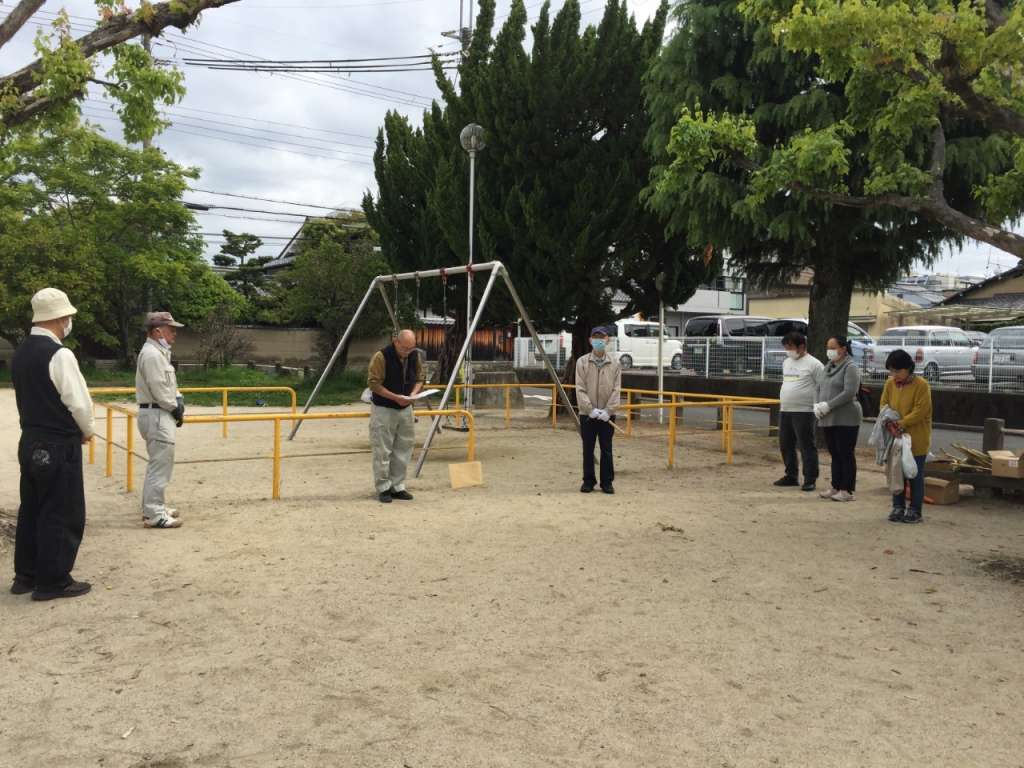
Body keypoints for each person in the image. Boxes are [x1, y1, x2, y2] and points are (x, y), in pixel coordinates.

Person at [11, 288, 94, 600]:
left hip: (30, 439)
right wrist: (87, 431)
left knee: (32, 507)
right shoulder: (59, 354)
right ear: (60, 318)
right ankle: (53, 580)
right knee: (61, 511)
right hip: (59, 442)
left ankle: (26, 575)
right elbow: (79, 403)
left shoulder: (21, 352)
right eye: (68, 316)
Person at [135, 311, 186, 529]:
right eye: (170, 329)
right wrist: (175, 408)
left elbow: (167, 386)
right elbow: (159, 388)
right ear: (157, 331)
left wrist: (177, 400)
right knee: (160, 465)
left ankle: (155, 507)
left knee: (159, 464)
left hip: (157, 412)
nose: (174, 333)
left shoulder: (157, 352)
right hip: (157, 414)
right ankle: (155, 513)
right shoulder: (153, 355)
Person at [368, 329, 425, 503]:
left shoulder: (415, 356)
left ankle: (398, 485)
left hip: (406, 407)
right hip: (384, 408)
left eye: (411, 348)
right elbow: (373, 383)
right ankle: (383, 487)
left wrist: (412, 395)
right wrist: (395, 397)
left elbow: (420, 378)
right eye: (405, 348)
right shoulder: (381, 356)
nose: (407, 352)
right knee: (383, 449)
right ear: (396, 342)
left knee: (404, 447)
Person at [879, 349, 933, 524]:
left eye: (897, 371)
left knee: (915, 474)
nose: (894, 375)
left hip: (916, 437)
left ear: (908, 368)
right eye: (891, 371)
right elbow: (883, 404)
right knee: (897, 472)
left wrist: (901, 423)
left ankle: (915, 510)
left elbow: (920, 411)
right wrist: (888, 422)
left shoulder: (922, 385)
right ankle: (898, 506)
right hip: (895, 436)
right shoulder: (890, 384)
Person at [814, 336, 863, 502]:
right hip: (829, 417)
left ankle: (847, 489)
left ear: (843, 348)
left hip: (846, 417)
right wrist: (817, 405)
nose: (830, 350)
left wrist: (828, 405)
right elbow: (818, 387)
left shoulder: (851, 367)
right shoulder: (828, 367)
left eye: (833, 347)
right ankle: (836, 486)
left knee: (845, 453)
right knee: (834, 452)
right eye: (828, 347)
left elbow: (849, 392)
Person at [774, 331, 824, 492]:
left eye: (790, 347)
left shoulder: (814, 364)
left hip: (804, 410)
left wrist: (817, 405)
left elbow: (822, 386)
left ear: (801, 346)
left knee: (806, 445)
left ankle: (810, 478)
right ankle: (791, 475)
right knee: (785, 443)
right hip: (785, 409)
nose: (788, 350)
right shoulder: (787, 362)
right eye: (786, 347)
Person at [575, 326, 622, 495]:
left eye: (601, 338)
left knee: (606, 449)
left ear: (607, 339)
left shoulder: (615, 362)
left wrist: (608, 411)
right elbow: (579, 388)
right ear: (590, 340)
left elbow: (617, 389)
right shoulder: (582, 362)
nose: (598, 341)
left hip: (607, 415)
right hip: (587, 414)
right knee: (588, 448)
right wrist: (590, 409)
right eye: (595, 337)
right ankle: (588, 481)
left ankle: (607, 482)